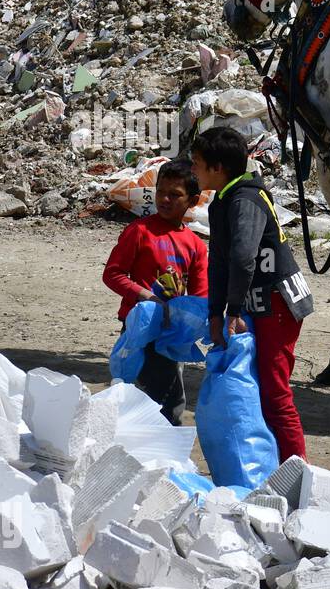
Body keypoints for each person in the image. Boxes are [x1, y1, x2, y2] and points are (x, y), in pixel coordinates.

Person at [189, 128, 313, 461]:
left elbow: (243, 258)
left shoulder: (246, 200)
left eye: (197, 163)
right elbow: (219, 262)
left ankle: (297, 474)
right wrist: (216, 313)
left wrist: (232, 312)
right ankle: (269, 465)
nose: (193, 170)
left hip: (278, 302)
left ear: (217, 167)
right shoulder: (223, 201)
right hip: (257, 301)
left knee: (275, 393)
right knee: (258, 387)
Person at [102, 158, 208, 425]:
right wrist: (146, 296)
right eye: (161, 191)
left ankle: (156, 450)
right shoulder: (139, 231)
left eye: (175, 195)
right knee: (163, 399)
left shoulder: (195, 244)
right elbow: (112, 274)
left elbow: (200, 297)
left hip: (172, 334)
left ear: (192, 201)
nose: (165, 199)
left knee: (167, 397)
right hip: (140, 328)